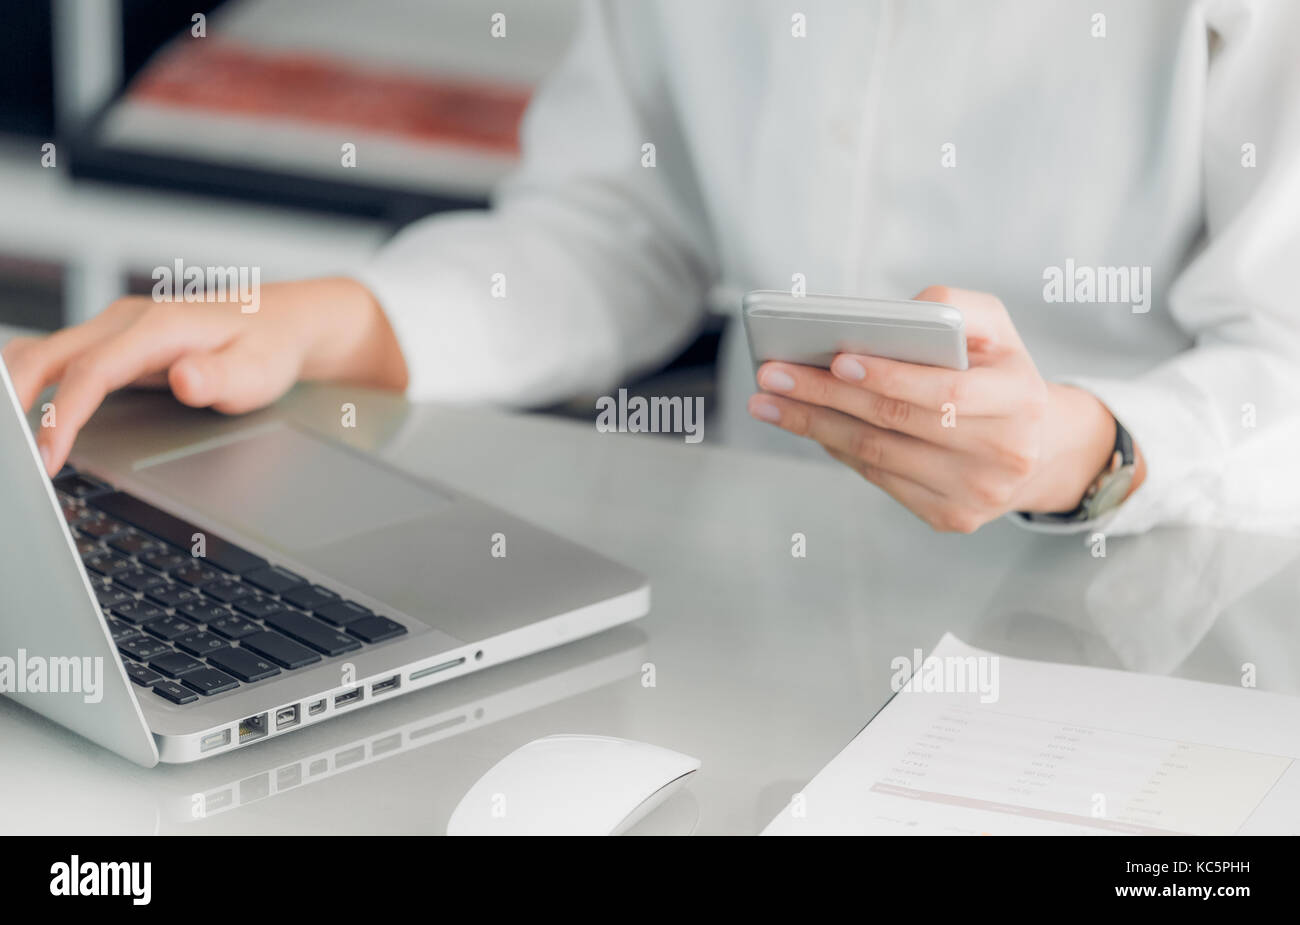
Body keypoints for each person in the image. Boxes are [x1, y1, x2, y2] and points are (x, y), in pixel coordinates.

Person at [5, 0, 1300, 535]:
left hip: (1173, 603)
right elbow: (623, 229)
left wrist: (1094, 452)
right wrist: (328, 320)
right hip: (775, 564)